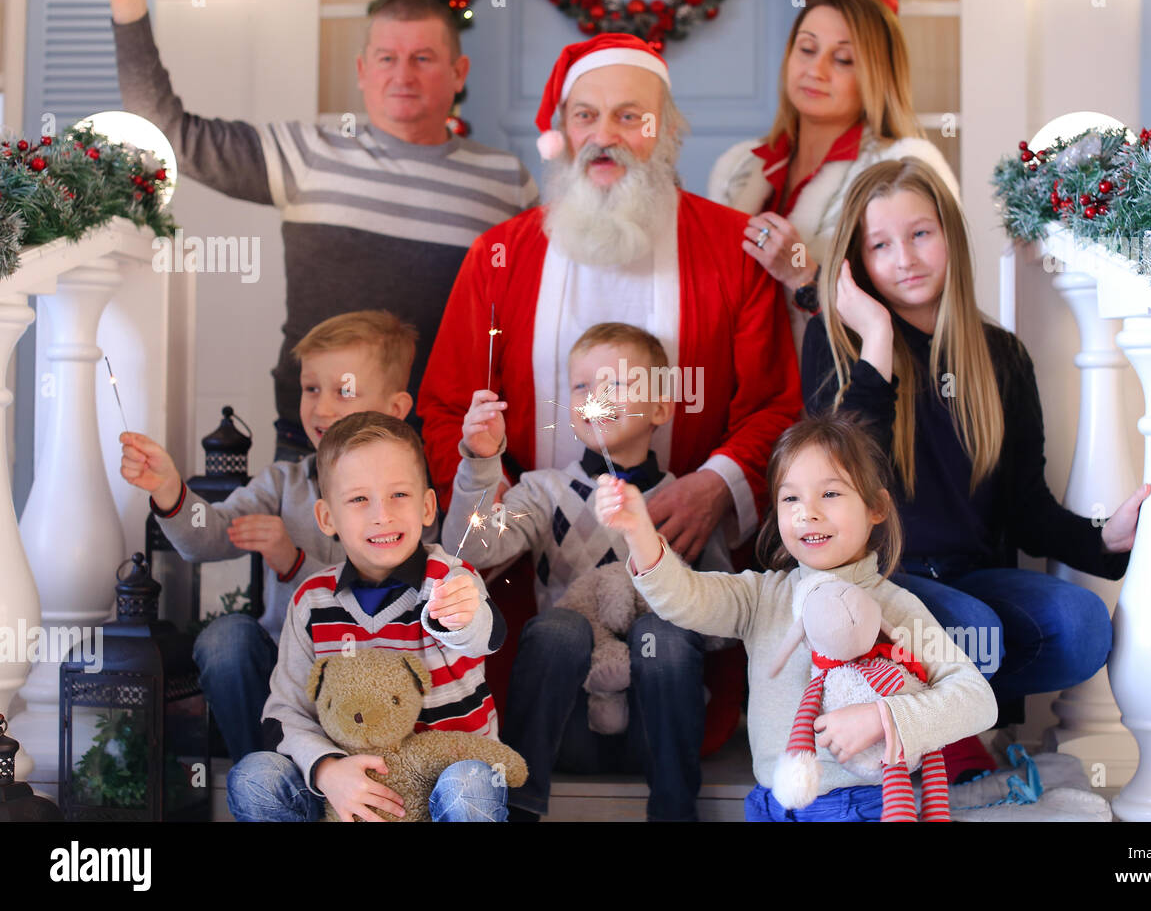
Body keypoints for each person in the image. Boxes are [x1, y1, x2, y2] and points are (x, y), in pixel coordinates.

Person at [91, 0, 538, 457]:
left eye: (424, 58)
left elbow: (530, 326)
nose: (403, 75)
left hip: (445, 449)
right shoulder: (305, 154)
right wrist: (128, 3)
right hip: (313, 443)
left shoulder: (508, 184)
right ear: (363, 70)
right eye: (387, 58)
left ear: (459, 72)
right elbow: (166, 134)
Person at [802, 156, 1151, 736]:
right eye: (881, 245)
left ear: (949, 237)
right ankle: (929, 734)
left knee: (1083, 625)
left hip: (969, 576)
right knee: (978, 630)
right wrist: (878, 339)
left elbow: (1024, 509)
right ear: (858, 262)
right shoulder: (837, 342)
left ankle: (939, 722)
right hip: (880, 580)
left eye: (920, 234)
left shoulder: (1002, 355)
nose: (906, 258)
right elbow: (838, 475)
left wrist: (1104, 539)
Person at [420, 33, 802, 570]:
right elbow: (449, 407)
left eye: (629, 117)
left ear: (667, 129)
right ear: (564, 131)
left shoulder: (733, 249)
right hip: (528, 576)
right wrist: (499, 509)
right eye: (585, 116)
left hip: (689, 568)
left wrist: (716, 485)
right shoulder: (498, 255)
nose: (603, 136)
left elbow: (775, 405)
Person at [595, 414, 998, 821]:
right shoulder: (760, 595)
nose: (807, 513)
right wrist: (639, 532)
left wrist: (883, 718)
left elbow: (977, 700)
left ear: (876, 507)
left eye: (830, 494)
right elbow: (682, 597)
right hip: (771, 804)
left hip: (857, 806)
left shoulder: (895, 608)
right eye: (791, 499)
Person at [447, 322, 731, 821]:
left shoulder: (687, 503)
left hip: (656, 726)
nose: (595, 396)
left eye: (616, 383)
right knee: (561, 626)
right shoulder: (542, 491)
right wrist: (480, 460)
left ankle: (675, 813)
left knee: (660, 632)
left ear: (662, 408)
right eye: (581, 386)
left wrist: (671, 603)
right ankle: (516, 807)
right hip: (567, 730)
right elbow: (466, 547)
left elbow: (727, 625)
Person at [119, 310, 429, 763]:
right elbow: (207, 536)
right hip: (291, 681)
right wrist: (169, 489)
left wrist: (293, 564)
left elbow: (391, 590)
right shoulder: (284, 483)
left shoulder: (406, 494)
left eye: (343, 390)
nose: (322, 408)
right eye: (310, 389)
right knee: (227, 639)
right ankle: (266, 775)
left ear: (395, 408)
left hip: (376, 681)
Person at [226, 411, 506, 821]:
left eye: (399, 495)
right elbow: (284, 713)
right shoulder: (311, 601)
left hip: (442, 785)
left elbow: (487, 634)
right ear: (327, 518)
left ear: (427, 506)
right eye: (359, 499)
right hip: (341, 794)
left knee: (472, 785)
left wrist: (463, 616)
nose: (382, 515)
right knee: (254, 776)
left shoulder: (450, 580)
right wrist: (327, 771)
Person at [708, 0, 958, 361]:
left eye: (843, 59)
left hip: (849, 400)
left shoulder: (907, 164)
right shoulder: (737, 167)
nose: (816, 70)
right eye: (807, 50)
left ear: (877, 74)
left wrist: (803, 274)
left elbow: (930, 310)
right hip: (748, 398)